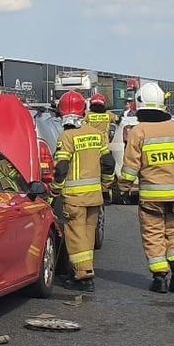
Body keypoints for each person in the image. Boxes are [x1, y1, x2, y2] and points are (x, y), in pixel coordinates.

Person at [117, 81, 174, 293]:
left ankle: (160, 278)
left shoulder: (138, 131)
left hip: (151, 197)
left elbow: (130, 168)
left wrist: (123, 189)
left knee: (154, 235)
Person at [53, 90, 108, 291]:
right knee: (87, 236)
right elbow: (109, 163)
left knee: (76, 237)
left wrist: (55, 190)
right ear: (84, 111)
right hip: (94, 197)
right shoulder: (97, 134)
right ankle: (85, 270)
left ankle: (83, 277)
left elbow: (61, 168)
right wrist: (106, 185)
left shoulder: (67, 136)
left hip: (75, 198)